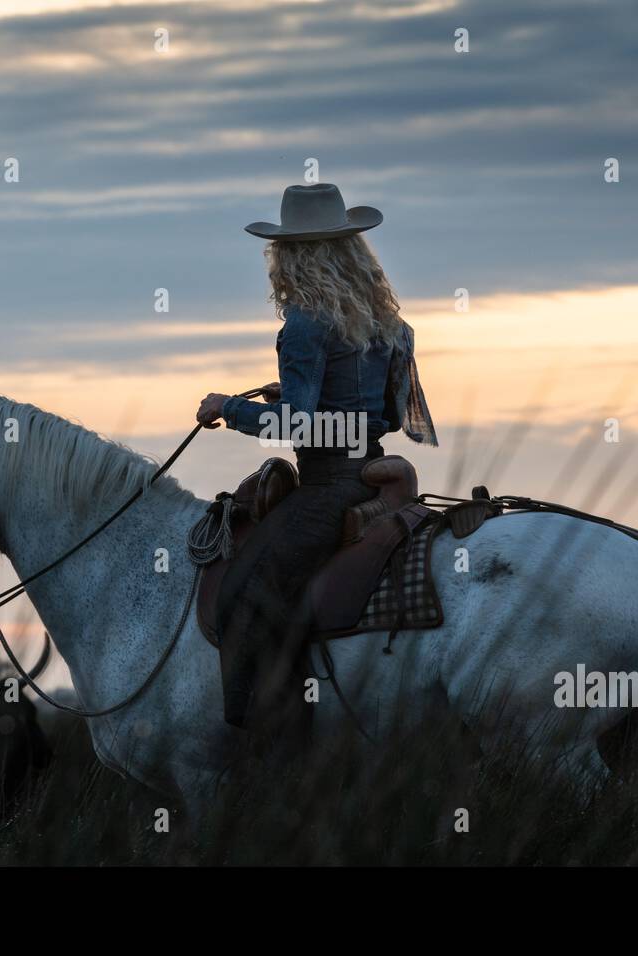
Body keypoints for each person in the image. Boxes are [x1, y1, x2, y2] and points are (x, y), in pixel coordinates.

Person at [194, 183, 437, 737]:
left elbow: (296, 426)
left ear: (291, 255)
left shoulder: (305, 324)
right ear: (352, 251)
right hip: (371, 474)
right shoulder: (389, 325)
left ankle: (268, 732)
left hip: (329, 487)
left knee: (245, 589)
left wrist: (226, 408)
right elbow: (389, 418)